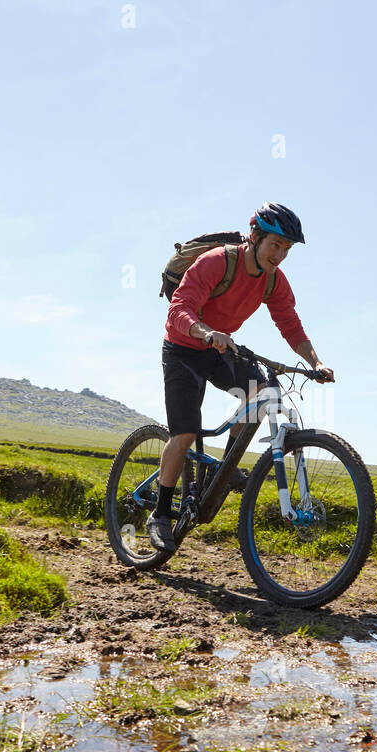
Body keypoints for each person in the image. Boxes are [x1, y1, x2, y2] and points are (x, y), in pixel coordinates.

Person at [147, 202, 334, 551]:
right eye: (274, 245)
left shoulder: (273, 281)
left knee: (262, 392)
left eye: (286, 249)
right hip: (184, 348)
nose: (279, 255)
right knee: (185, 433)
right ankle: (159, 513)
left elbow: (290, 326)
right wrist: (205, 333)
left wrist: (316, 362)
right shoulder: (217, 261)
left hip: (222, 349)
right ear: (255, 237)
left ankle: (224, 468)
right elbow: (179, 308)